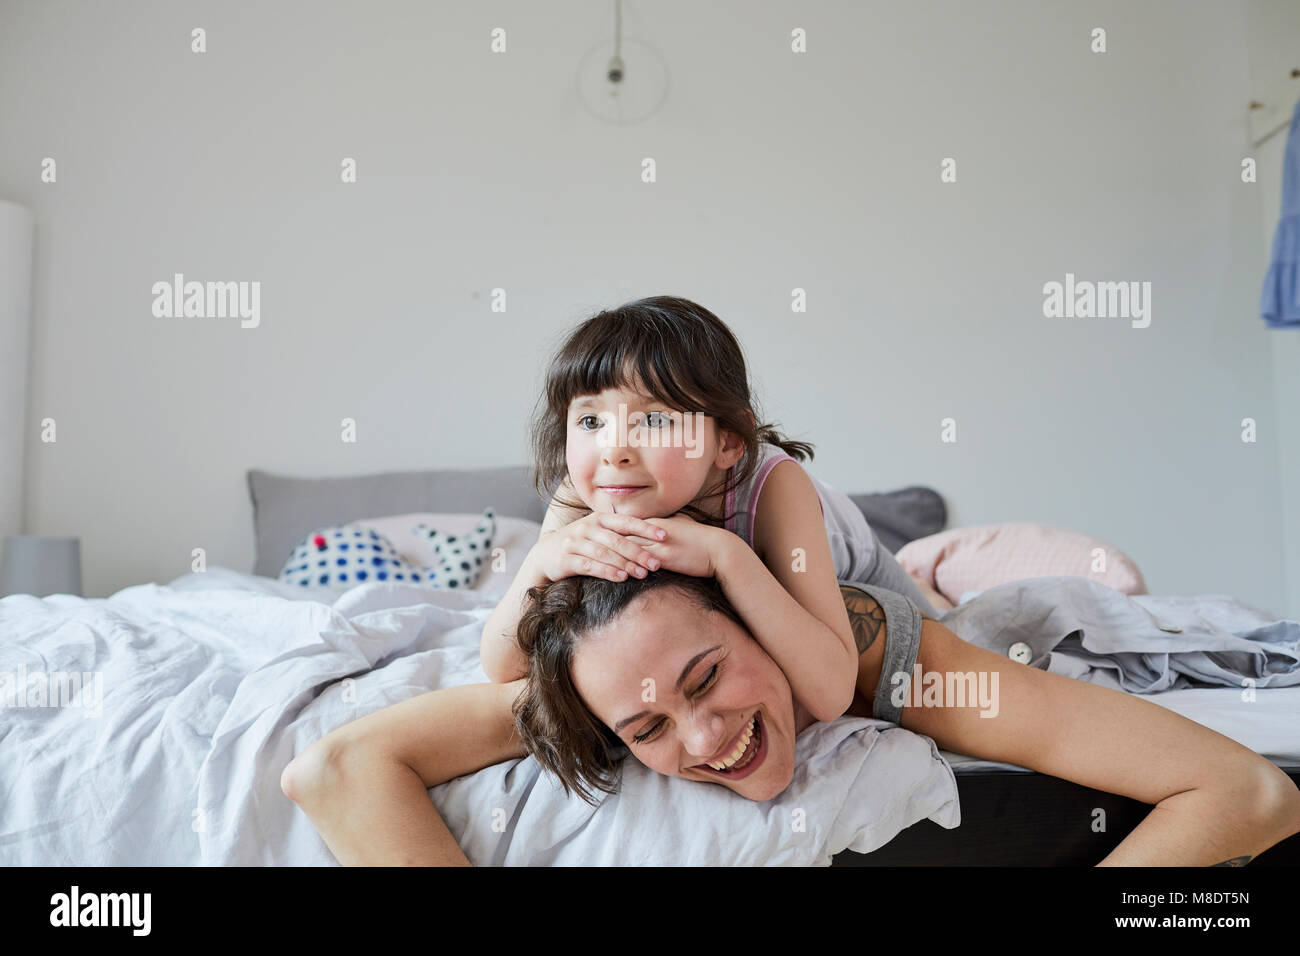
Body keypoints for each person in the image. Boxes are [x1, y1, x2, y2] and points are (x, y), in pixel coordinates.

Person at [282, 567, 1300, 865]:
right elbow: (331, 769)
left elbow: (1251, 791)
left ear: (767, 618)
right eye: (645, 733)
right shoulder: (601, 675)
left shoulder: (896, 663)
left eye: (707, 675)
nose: (701, 739)